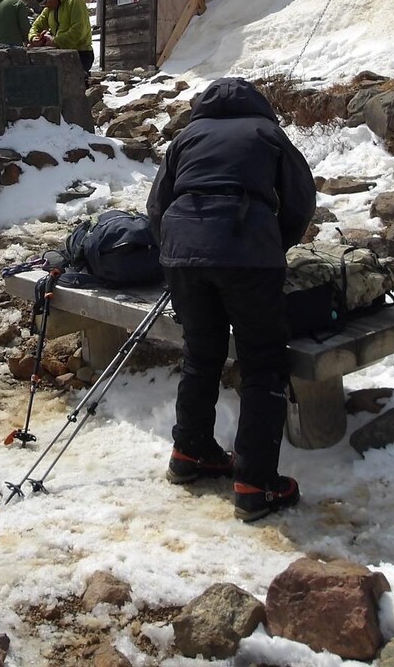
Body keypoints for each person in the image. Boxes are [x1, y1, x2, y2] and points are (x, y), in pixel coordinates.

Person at [145, 76, 316, 523]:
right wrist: (271, 244)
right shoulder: (267, 133)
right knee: (262, 360)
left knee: (201, 353)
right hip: (246, 249)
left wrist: (175, 252)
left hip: (182, 250)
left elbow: (157, 205)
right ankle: (255, 482)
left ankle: (190, 452)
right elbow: (301, 200)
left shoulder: (186, 137)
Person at [27, 0, 93, 75]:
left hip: (81, 54)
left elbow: (78, 31)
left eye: (46, 2)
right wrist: (33, 37)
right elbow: (36, 26)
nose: (45, 6)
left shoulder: (74, 2)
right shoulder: (49, 9)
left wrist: (55, 41)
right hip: (62, 53)